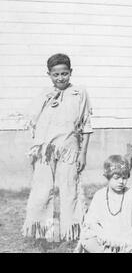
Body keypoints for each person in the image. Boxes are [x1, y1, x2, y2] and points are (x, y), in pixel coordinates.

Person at [22, 53, 92, 242]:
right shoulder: (44, 94)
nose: (60, 78)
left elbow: (86, 125)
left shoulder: (80, 93)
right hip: (45, 152)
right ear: (49, 74)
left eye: (64, 73)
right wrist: (47, 101)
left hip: (69, 151)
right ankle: (41, 233)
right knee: (42, 191)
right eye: (56, 75)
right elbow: (32, 120)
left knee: (70, 190)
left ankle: (72, 233)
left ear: (71, 72)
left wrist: (83, 153)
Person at [76, 155, 132, 253]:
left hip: (125, 238)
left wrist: (125, 236)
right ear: (108, 177)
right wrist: (103, 235)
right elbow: (91, 221)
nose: (121, 181)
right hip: (105, 238)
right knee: (88, 240)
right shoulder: (100, 195)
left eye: (124, 178)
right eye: (116, 178)